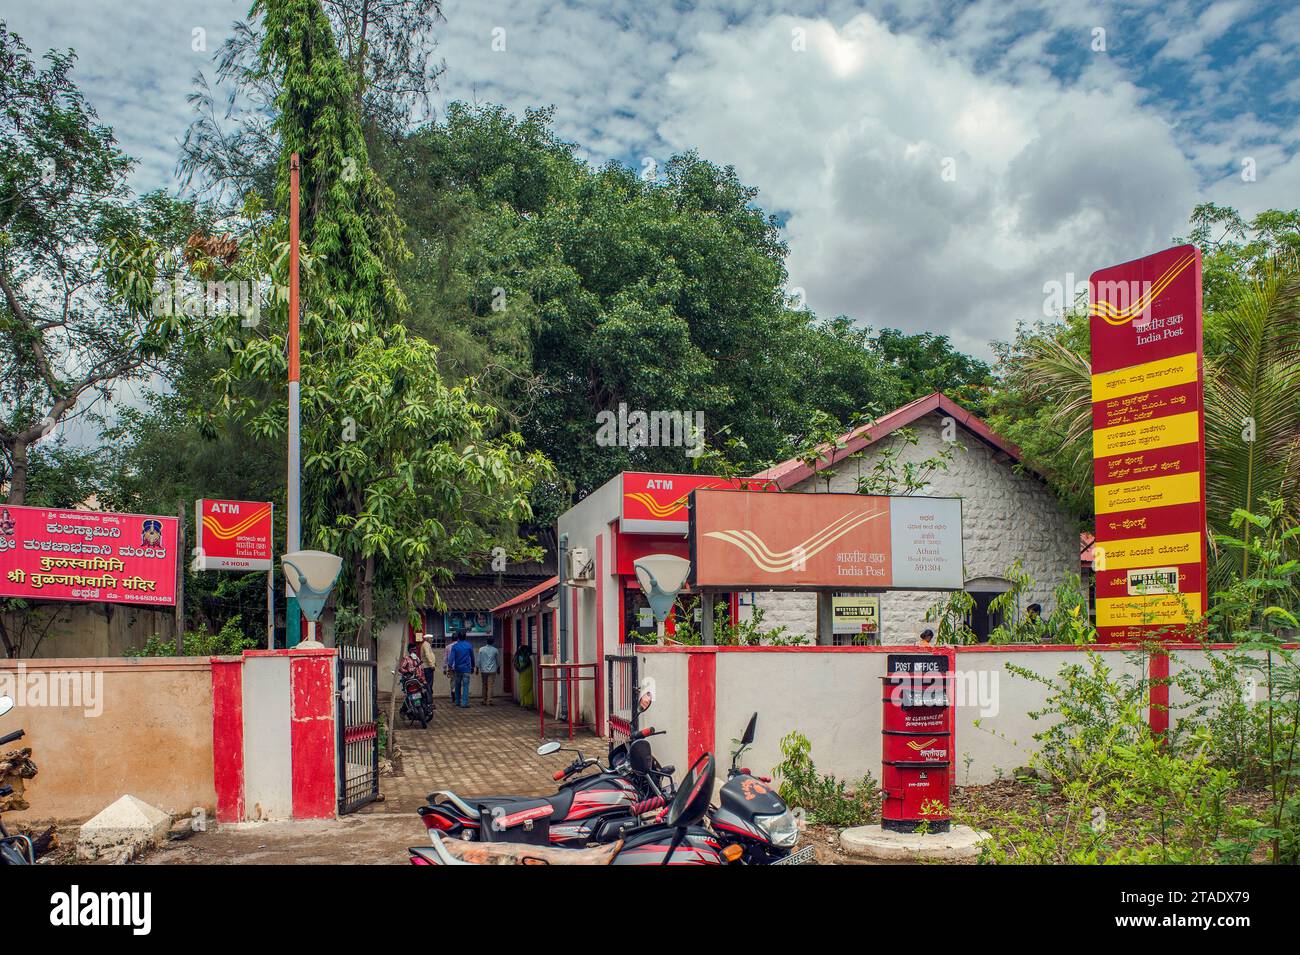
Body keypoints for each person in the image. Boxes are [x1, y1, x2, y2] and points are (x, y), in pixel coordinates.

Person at [447, 630, 475, 708]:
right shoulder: (469, 645)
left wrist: (449, 667)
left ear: (458, 637)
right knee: (466, 686)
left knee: (457, 685)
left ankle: (457, 701)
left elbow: (451, 659)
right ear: (465, 637)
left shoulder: (455, 646)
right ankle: (464, 703)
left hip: (457, 669)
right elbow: (472, 657)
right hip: (466, 669)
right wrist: (473, 666)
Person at [477, 636, 501, 706]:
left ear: (486, 641)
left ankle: (484, 700)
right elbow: (498, 661)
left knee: (484, 685)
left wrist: (477, 669)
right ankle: (489, 701)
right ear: (493, 642)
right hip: (492, 670)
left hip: (484, 670)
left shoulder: (481, 649)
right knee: (490, 685)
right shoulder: (495, 650)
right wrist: (498, 668)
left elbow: (479, 660)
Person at [417, 634, 438, 710]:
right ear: (427, 639)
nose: (432, 640)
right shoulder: (426, 645)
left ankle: (429, 701)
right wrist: (431, 664)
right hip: (427, 667)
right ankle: (429, 702)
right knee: (428, 685)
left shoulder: (426, 645)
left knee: (429, 685)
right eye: (431, 638)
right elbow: (427, 655)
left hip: (428, 666)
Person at [514, 641, 535, 708]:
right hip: (527, 673)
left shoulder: (517, 656)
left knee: (522, 687)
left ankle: (523, 702)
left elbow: (516, 665)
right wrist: (523, 668)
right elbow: (527, 663)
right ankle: (528, 703)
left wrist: (520, 669)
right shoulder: (525, 656)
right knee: (528, 688)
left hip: (522, 673)